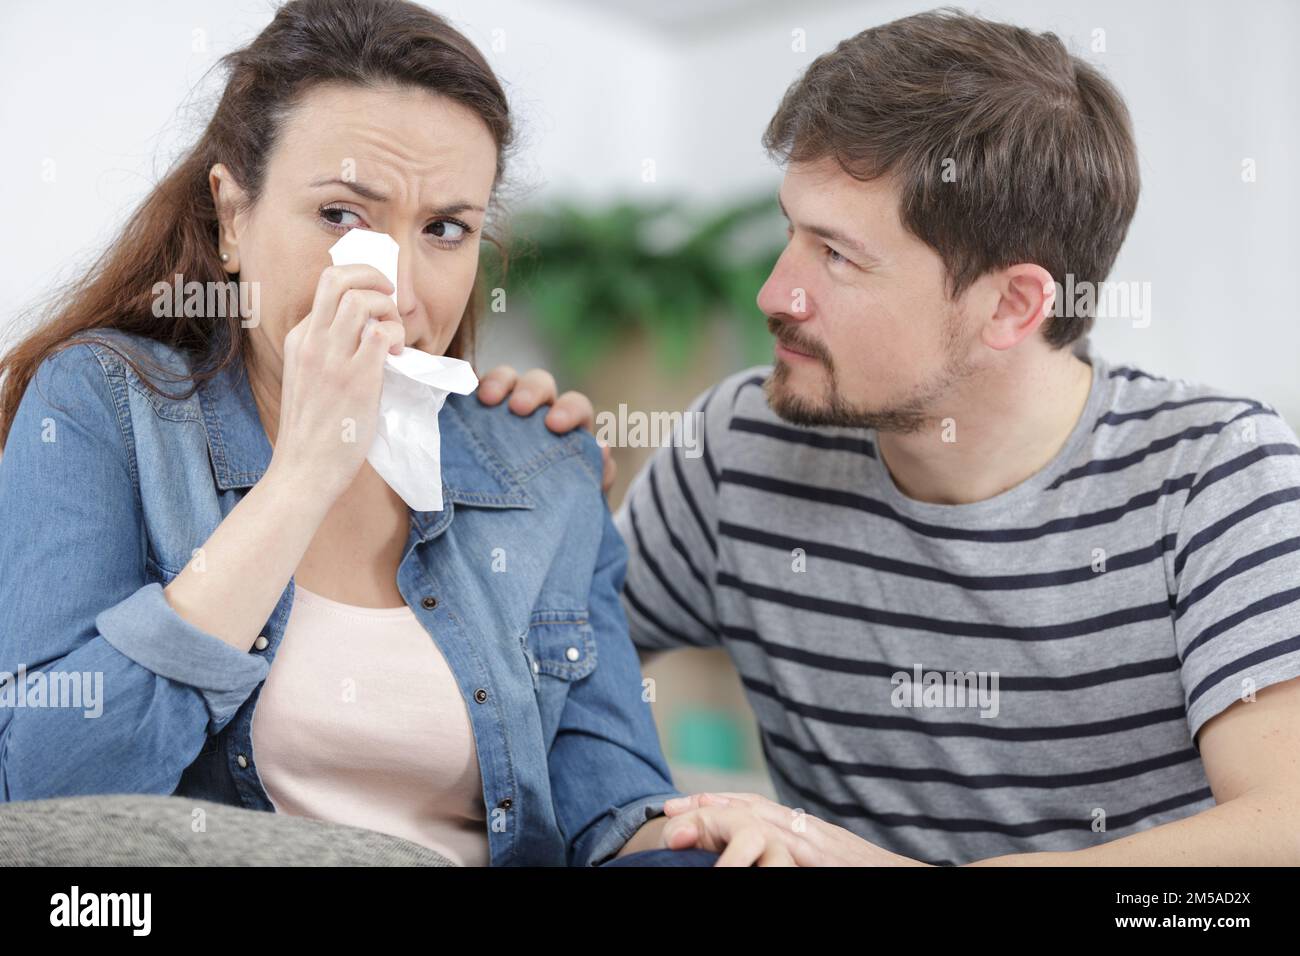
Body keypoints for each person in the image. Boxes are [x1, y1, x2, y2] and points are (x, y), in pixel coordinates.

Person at [483, 9, 1300, 865]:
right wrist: (517, 495)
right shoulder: (740, 448)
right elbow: (538, 674)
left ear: (1011, 305)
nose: (773, 293)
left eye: (837, 255)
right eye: (790, 231)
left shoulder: (1219, 477)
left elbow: (1279, 832)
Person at [0, 0, 715, 868]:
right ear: (233, 218)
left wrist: (709, 836)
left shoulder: (542, 464)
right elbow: (46, 796)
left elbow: (613, 812)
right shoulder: (102, 403)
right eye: (342, 216)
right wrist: (302, 475)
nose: (397, 292)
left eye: (445, 229)